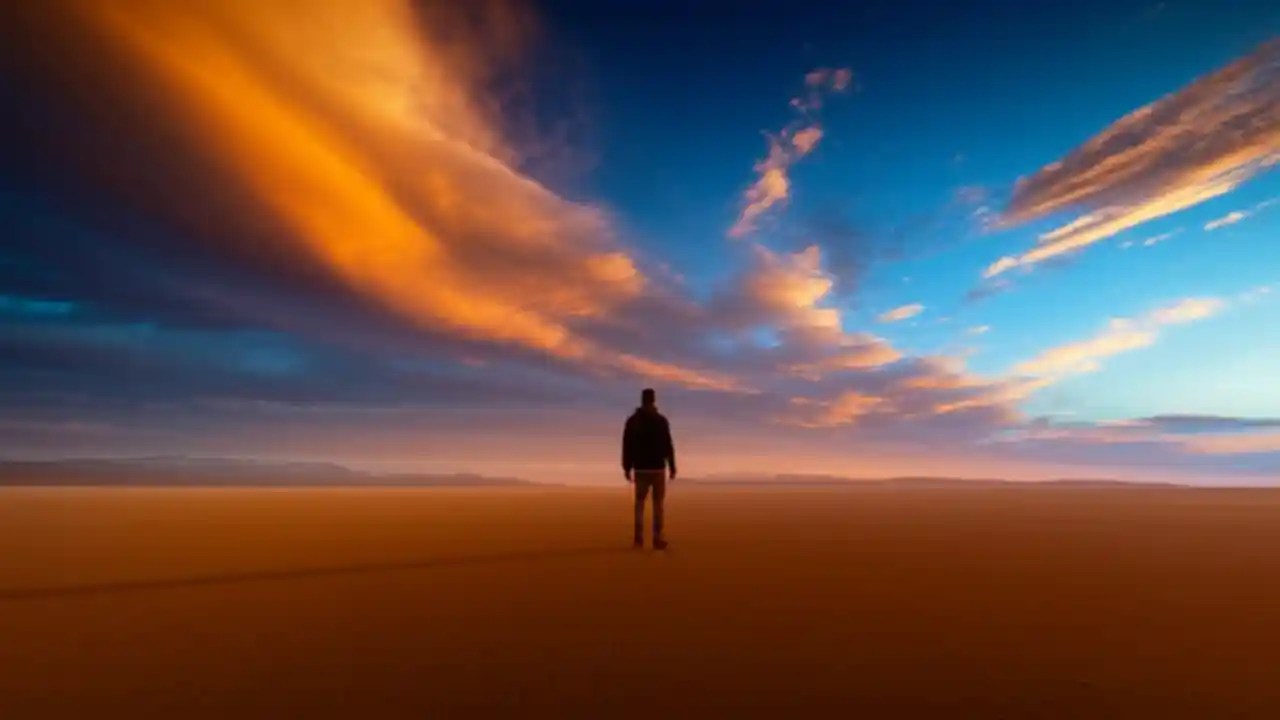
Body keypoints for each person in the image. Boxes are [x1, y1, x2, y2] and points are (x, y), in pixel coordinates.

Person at [622, 387, 676, 549]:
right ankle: (657, 537)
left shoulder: (633, 421)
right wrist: (672, 466)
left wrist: (627, 466)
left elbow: (627, 445)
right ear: (653, 400)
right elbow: (668, 445)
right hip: (658, 468)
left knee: (639, 503)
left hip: (640, 469)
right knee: (658, 504)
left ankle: (638, 538)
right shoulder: (661, 420)